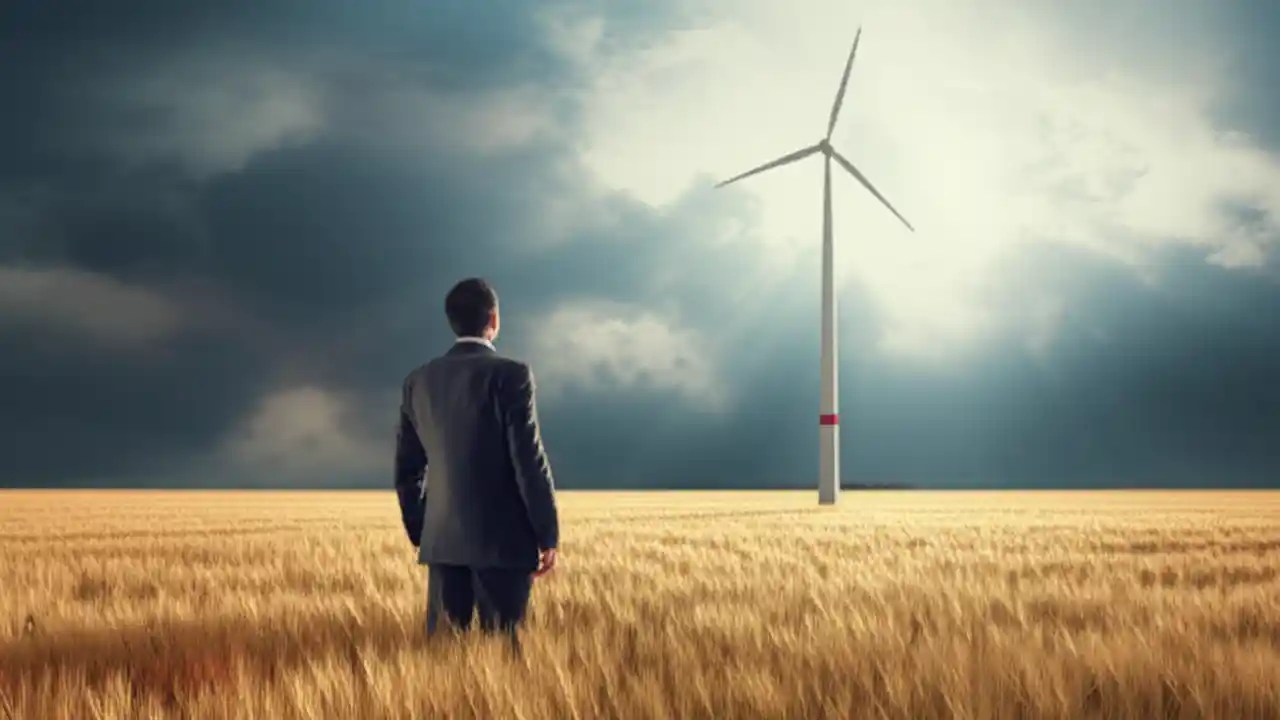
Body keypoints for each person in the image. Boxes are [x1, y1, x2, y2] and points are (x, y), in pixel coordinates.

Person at [393, 277, 560, 651]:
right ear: (494, 319)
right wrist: (547, 534)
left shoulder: (417, 381)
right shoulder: (511, 374)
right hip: (504, 544)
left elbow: (407, 470)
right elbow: (527, 458)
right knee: (503, 660)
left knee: (440, 661)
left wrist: (425, 533)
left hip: (442, 543)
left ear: (451, 321)